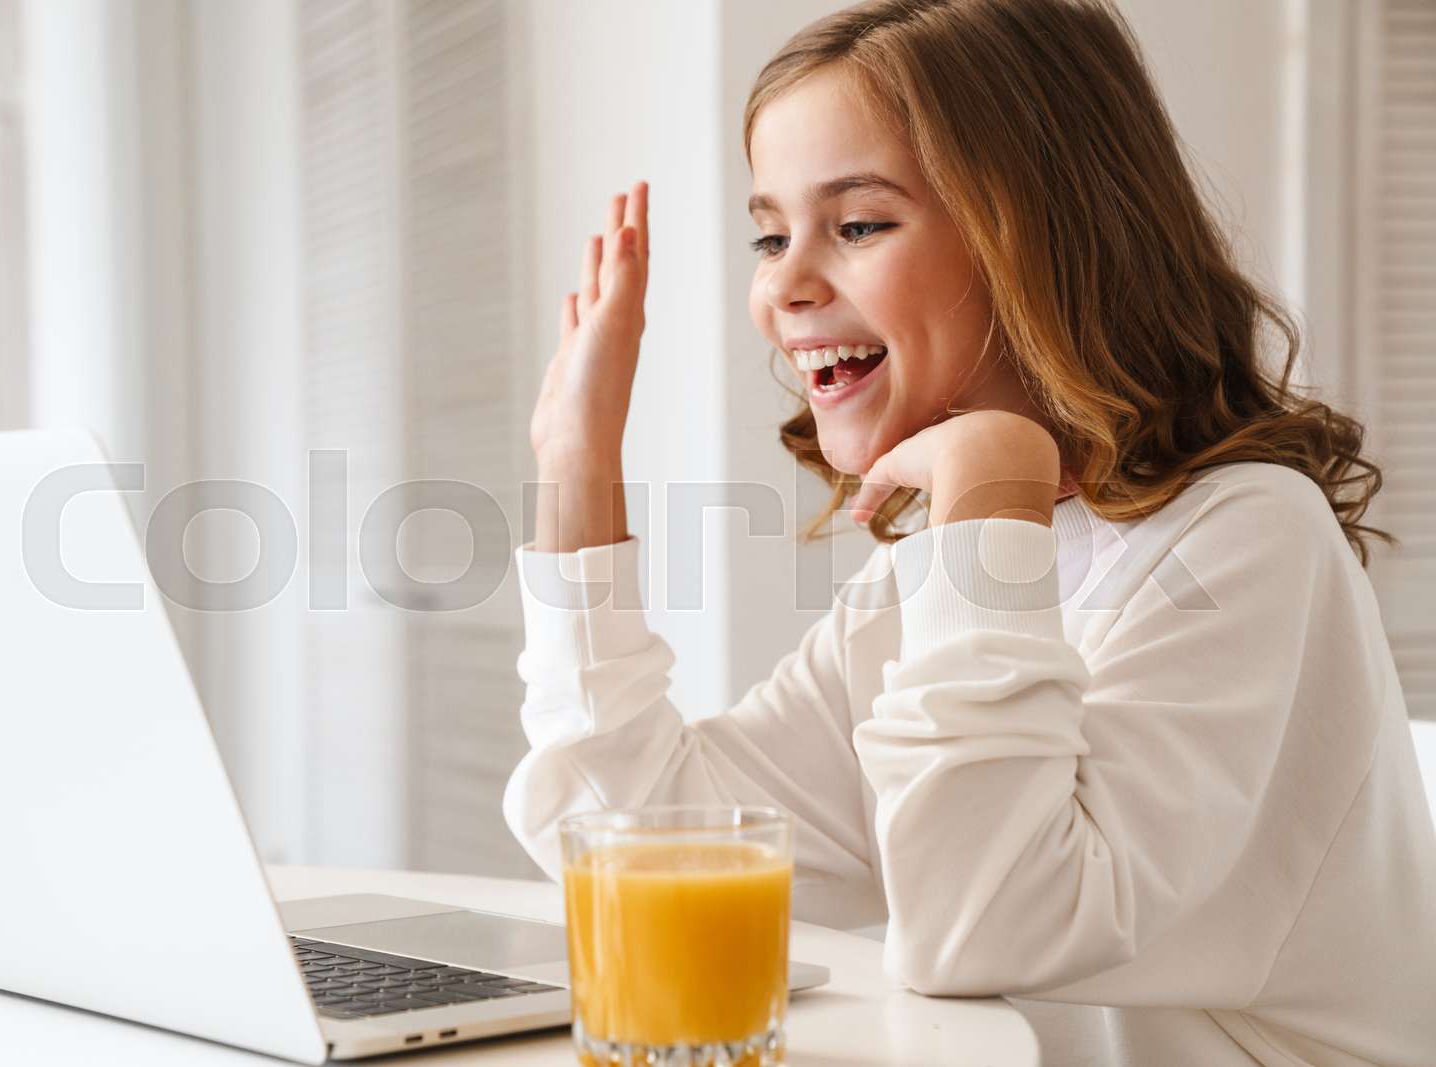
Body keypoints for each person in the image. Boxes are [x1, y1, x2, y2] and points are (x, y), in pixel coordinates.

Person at [504, 1, 1436, 1064]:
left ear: (1038, 235)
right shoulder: (929, 581)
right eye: (771, 235)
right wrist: (576, 469)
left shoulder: (1249, 536)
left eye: (858, 225)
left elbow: (986, 928)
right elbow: (632, 837)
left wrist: (991, 487)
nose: (783, 286)